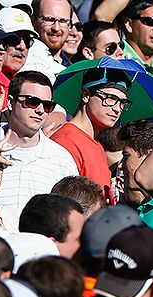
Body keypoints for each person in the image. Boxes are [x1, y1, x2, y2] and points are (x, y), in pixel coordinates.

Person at [0, 71, 78, 225]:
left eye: (47, 105)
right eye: (32, 102)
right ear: (10, 102)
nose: (40, 110)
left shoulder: (62, 159)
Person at [50, 67, 129, 199]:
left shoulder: (97, 145)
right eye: (110, 98)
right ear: (86, 96)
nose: (117, 109)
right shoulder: (65, 141)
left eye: (122, 102)